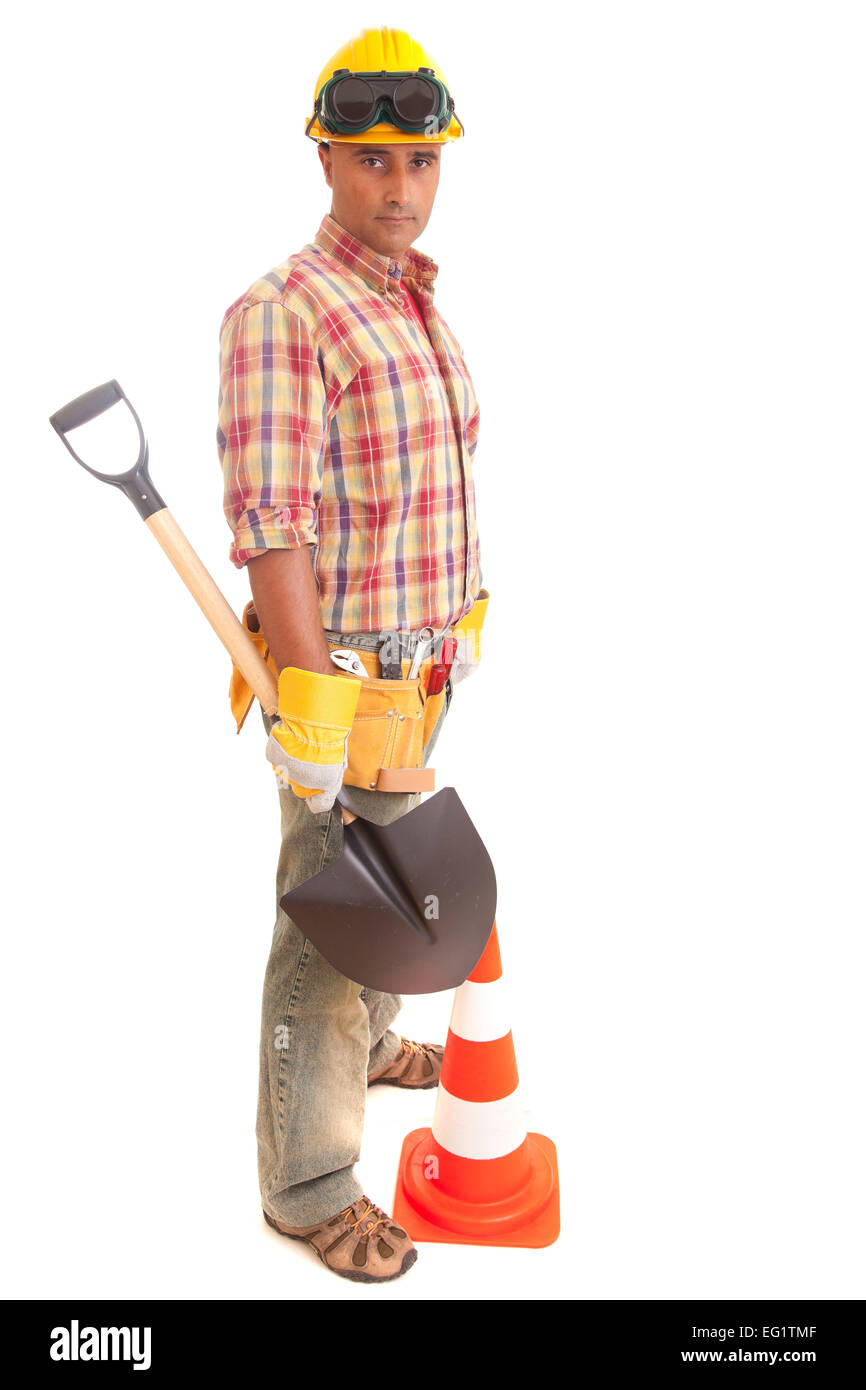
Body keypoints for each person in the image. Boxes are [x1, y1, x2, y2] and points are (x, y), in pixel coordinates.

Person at [216, 26, 487, 1283]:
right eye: (372, 159)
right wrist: (313, 705)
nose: (399, 187)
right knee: (329, 919)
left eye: (419, 161)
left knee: (383, 881)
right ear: (323, 156)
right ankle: (309, 1183)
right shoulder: (285, 313)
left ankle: (368, 1044)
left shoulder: (406, 298)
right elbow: (275, 528)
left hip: (422, 669)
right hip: (351, 676)